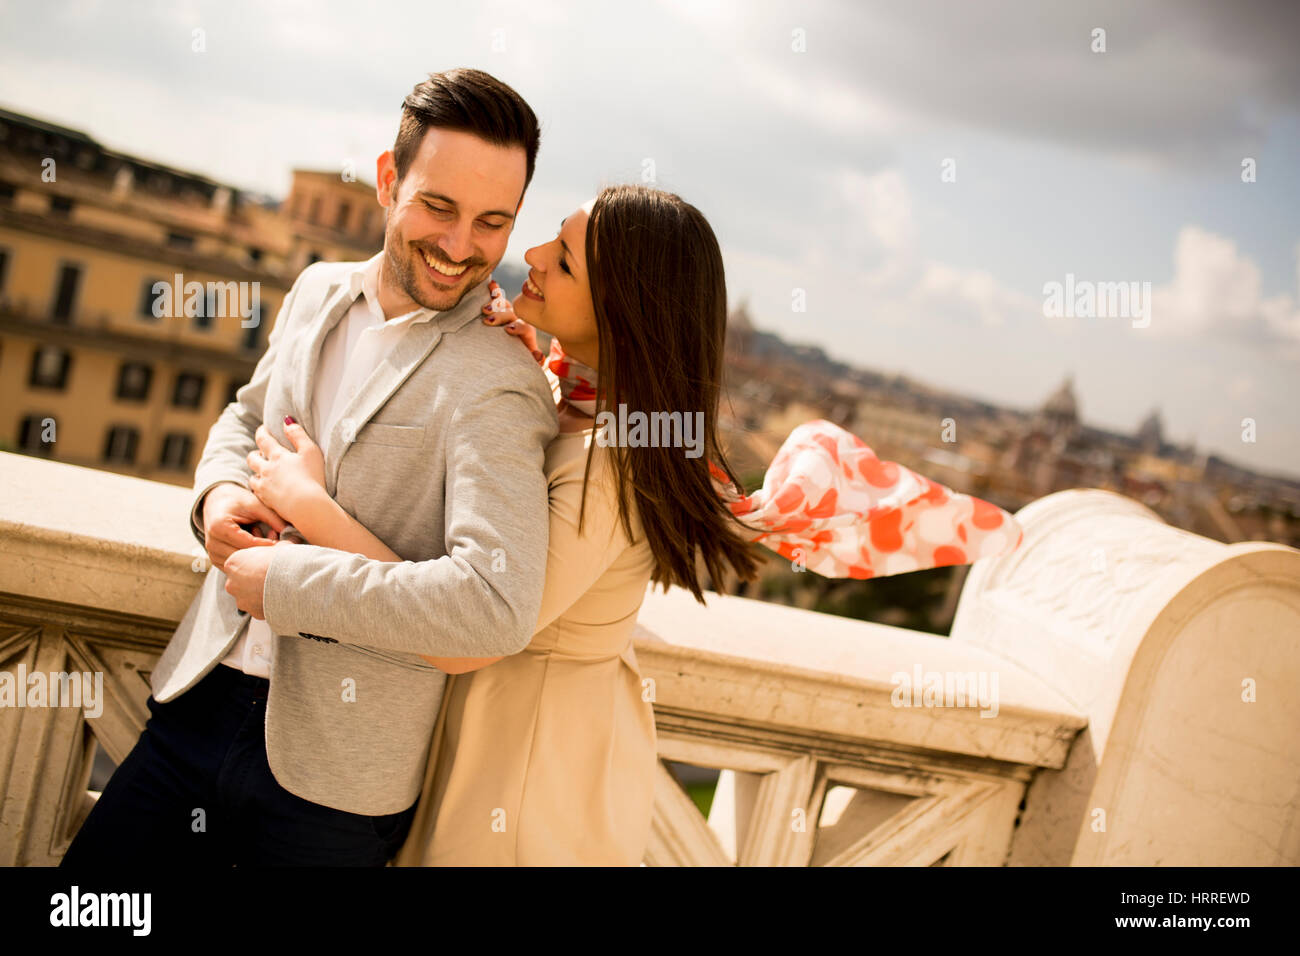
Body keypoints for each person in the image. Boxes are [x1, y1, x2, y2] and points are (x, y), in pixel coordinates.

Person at [230, 184, 1026, 865]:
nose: (532, 252)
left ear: (623, 314)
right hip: (529, 729)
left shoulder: (609, 468)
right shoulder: (593, 417)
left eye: (566, 259)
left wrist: (309, 507)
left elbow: (470, 630)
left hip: (525, 758)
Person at [60, 68, 555, 867]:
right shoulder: (318, 287)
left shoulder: (500, 378)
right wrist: (218, 497)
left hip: (334, 786)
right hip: (196, 699)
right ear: (389, 181)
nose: (461, 247)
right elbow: (246, 415)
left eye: (491, 222)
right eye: (438, 206)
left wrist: (286, 584)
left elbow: (492, 608)